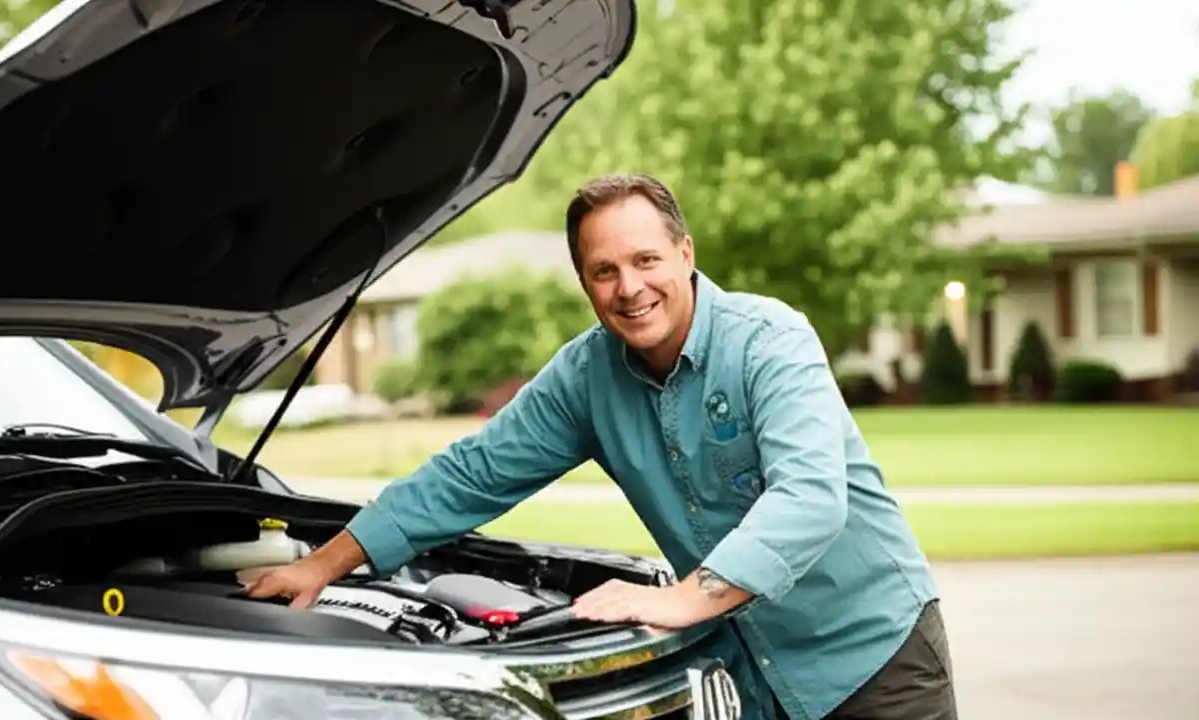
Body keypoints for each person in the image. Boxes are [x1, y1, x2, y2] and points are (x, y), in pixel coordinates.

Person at [243, 173, 956, 720]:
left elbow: (809, 499)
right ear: (584, 281)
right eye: (604, 271)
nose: (629, 288)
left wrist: (684, 597)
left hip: (875, 656)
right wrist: (322, 565)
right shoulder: (585, 378)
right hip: (750, 673)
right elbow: (471, 474)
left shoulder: (771, 342)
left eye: (646, 259)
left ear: (686, 252)